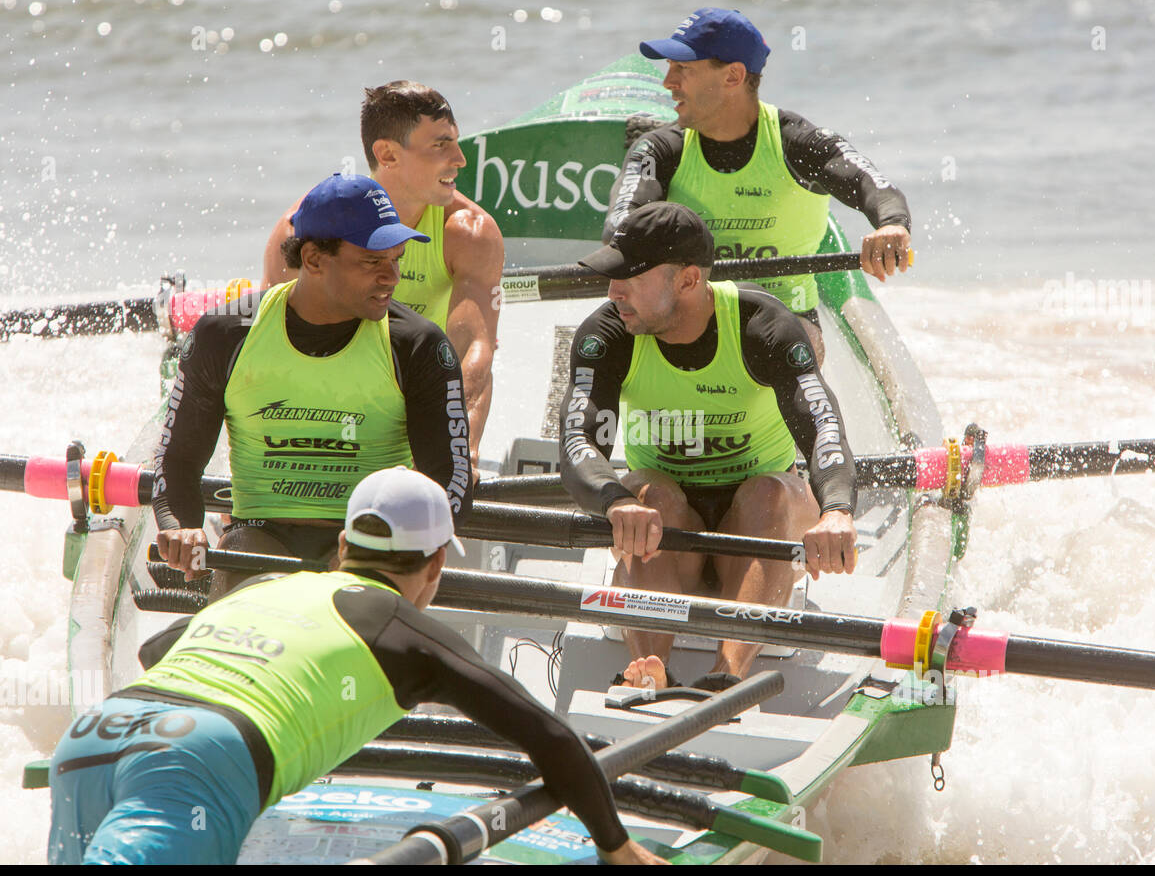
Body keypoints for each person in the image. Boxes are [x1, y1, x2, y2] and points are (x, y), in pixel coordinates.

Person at [50, 466, 662, 865]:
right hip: (196, 761)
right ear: (434, 569)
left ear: (343, 548)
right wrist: (617, 845)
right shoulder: (407, 631)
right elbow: (549, 735)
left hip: (96, 735)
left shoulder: (264, 587)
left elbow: (159, 651)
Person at [560, 202, 859, 691]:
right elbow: (578, 439)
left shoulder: (762, 326)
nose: (613, 292)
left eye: (630, 278)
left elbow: (823, 426)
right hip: (667, 522)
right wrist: (613, 500)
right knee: (648, 498)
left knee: (767, 494)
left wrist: (838, 511)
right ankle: (650, 669)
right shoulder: (609, 334)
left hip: (759, 516)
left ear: (689, 280)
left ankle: (726, 674)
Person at [154, 173, 474, 600]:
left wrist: (376, 550)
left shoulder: (418, 346)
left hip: (371, 545)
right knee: (246, 559)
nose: (392, 277)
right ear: (314, 259)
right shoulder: (226, 335)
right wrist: (182, 529)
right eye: (372, 261)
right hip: (260, 539)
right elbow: (177, 458)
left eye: (397, 259)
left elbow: (452, 481)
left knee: (360, 593)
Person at [606, 8, 912, 358]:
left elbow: (874, 186)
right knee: (601, 332)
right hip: (685, 317)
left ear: (733, 76)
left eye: (683, 69)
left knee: (784, 342)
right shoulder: (659, 149)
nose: (667, 82)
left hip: (783, 319)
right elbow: (620, 228)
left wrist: (892, 226)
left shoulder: (798, 143)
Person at [262, 81, 504, 469]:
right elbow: (269, 357)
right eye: (441, 145)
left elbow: (472, 351)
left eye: (457, 143)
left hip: (423, 389)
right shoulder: (304, 232)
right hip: (329, 396)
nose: (460, 159)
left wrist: (458, 454)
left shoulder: (469, 232)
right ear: (387, 154)